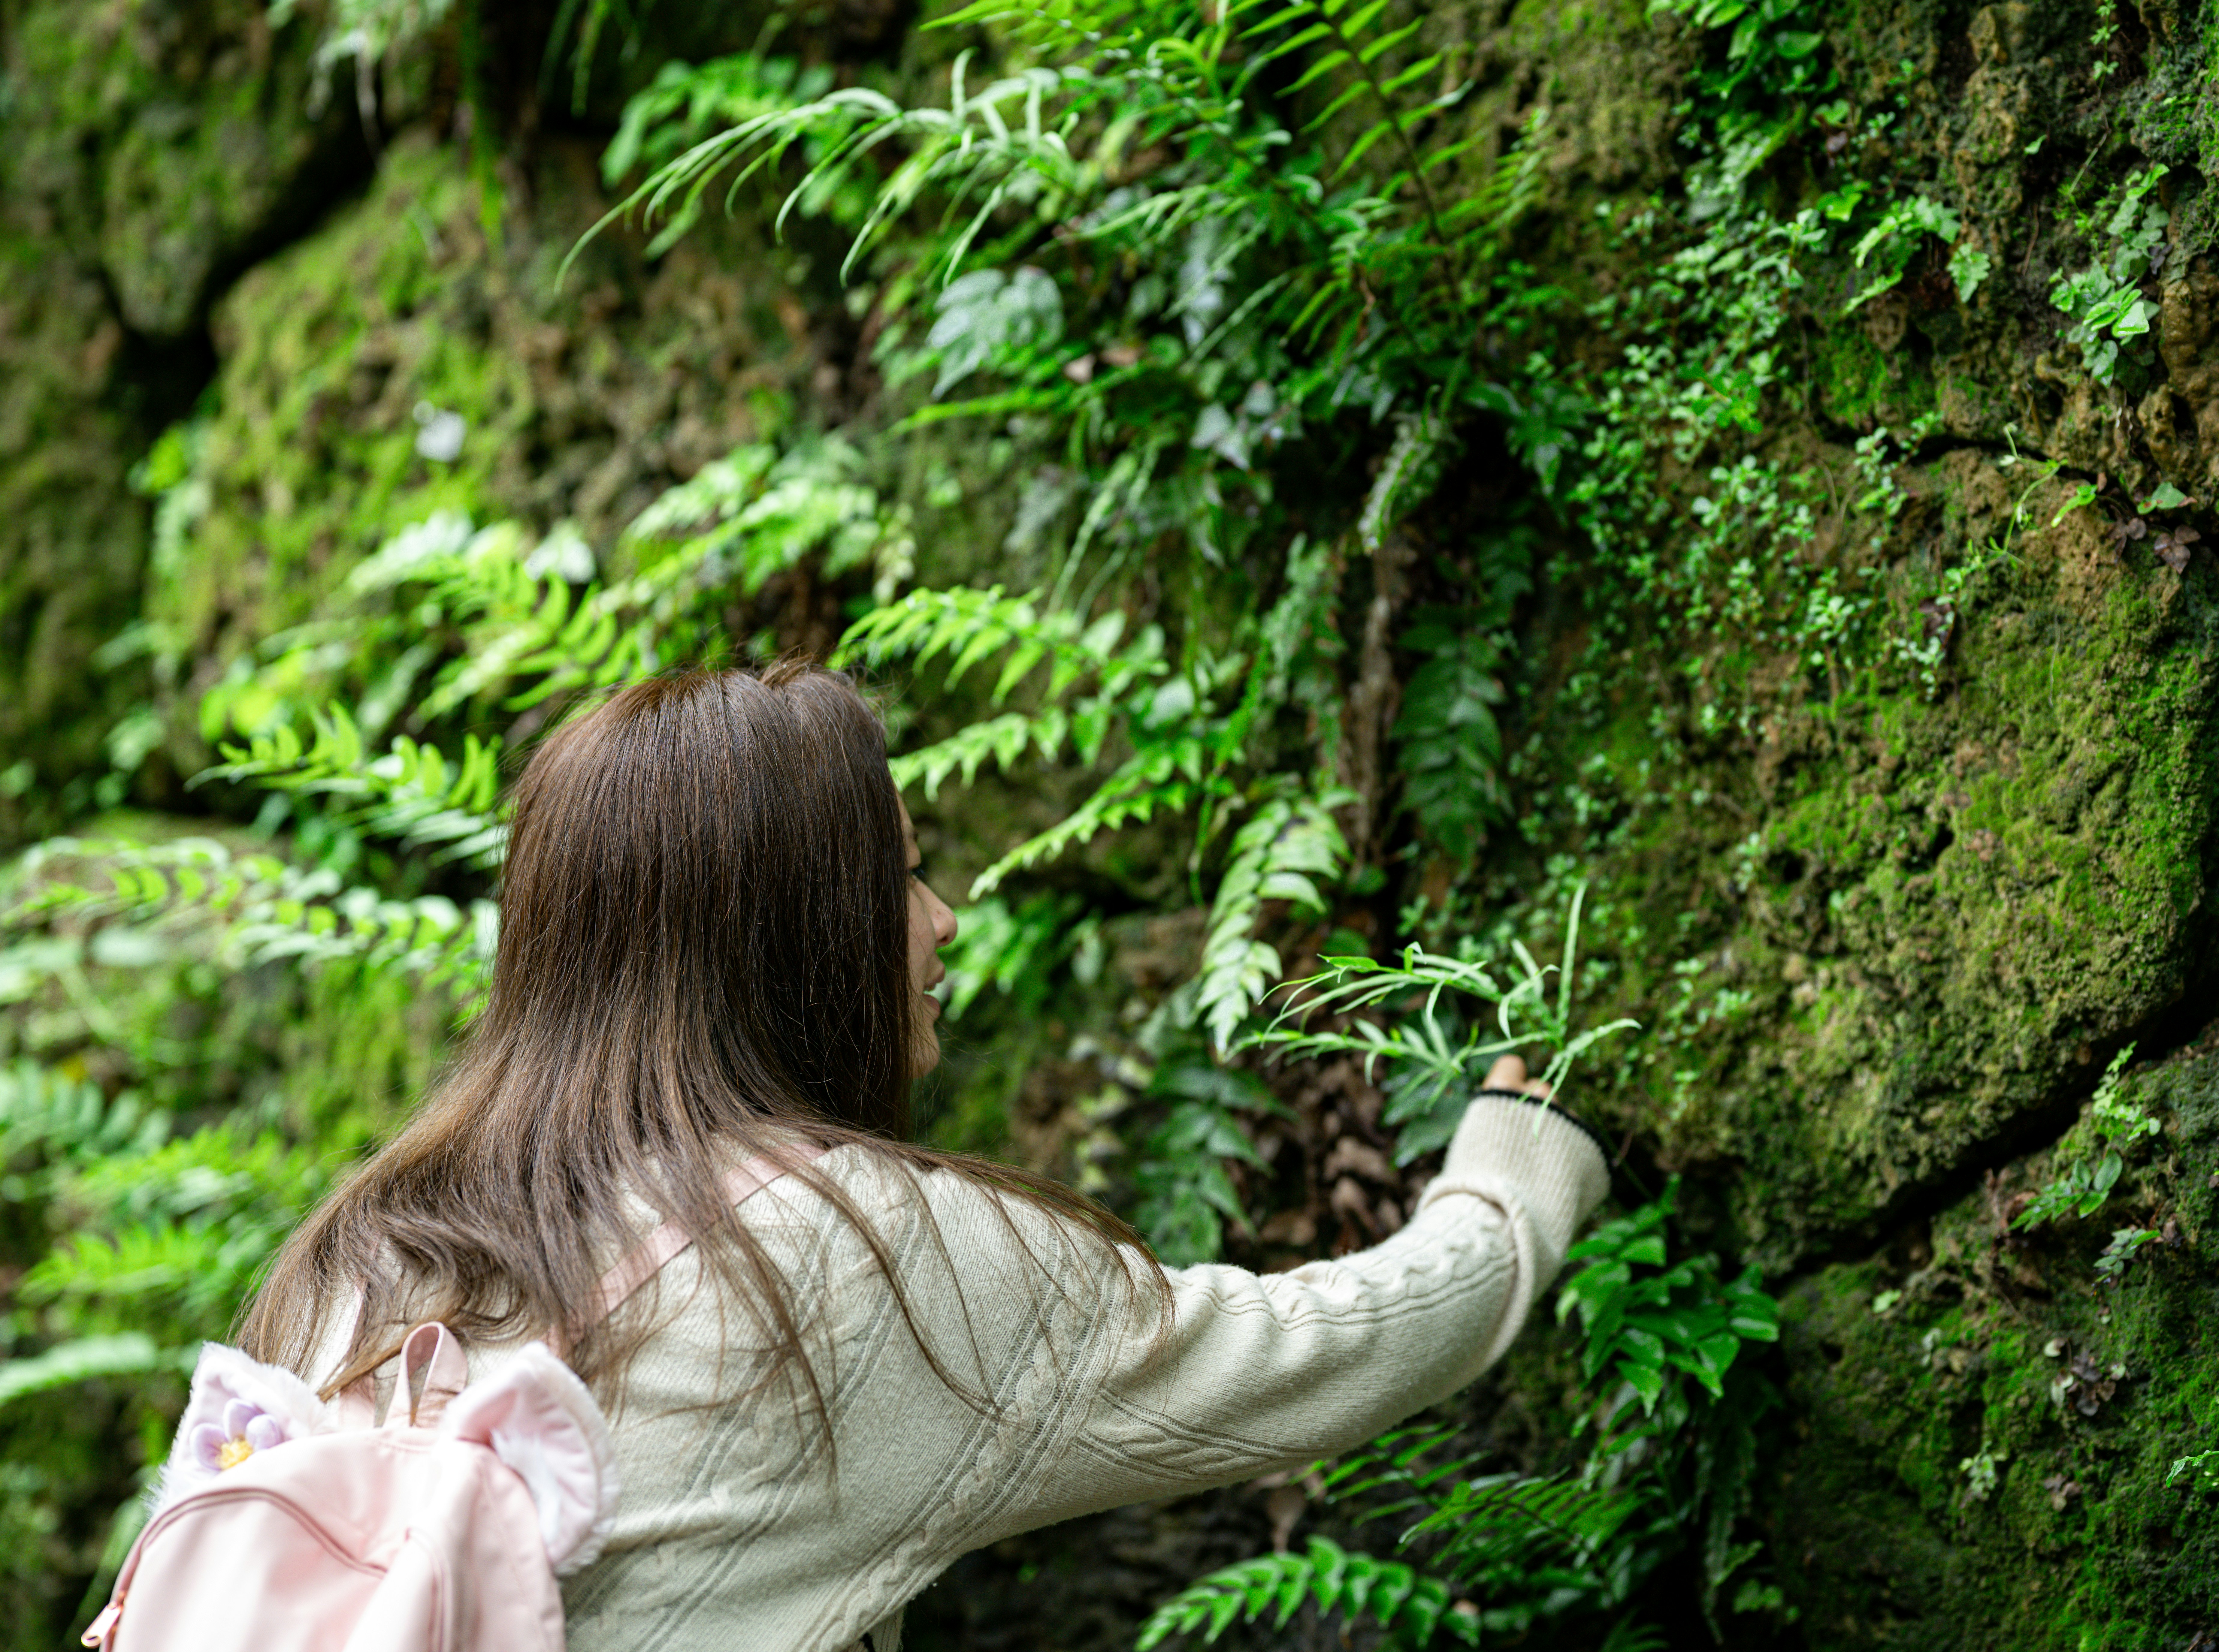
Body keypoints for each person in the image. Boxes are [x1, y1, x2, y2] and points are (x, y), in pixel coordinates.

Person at [236, 663, 1610, 1652]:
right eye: (900, 876)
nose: (946, 920)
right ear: (792, 935)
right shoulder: (845, 1253)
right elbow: (1308, 1357)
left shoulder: (364, 1249)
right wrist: (1517, 1168)